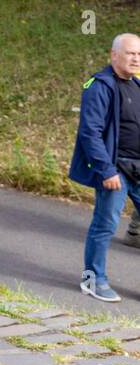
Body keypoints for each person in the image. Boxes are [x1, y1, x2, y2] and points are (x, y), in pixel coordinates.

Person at [70, 32, 140, 302]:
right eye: (130, 53)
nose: (135, 58)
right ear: (114, 55)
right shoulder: (99, 86)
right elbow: (90, 133)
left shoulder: (136, 85)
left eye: (138, 54)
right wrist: (106, 170)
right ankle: (93, 280)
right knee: (105, 225)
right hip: (116, 169)